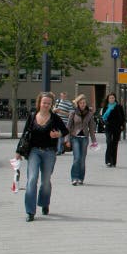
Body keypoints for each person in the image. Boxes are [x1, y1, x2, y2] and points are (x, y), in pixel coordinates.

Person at [16, 91, 69, 222]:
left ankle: (44, 203)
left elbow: (65, 130)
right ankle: (30, 211)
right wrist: (18, 151)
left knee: (45, 181)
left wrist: (58, 135)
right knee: (32, 179)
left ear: (51, 105)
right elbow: (25, 134)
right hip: (34, 151)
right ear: (39, 102)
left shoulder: (55, 118)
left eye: (48, 103)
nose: (46, 105)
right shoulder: (33, 116)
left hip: (49, 152)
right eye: (44, 102)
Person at [65, 94, 98, 186]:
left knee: (82, 159)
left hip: (84, 139)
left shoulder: (89, 114)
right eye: (81, 103)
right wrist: (67, 140)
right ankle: (74, 178)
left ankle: (80, 178)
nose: (83, 104)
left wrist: (94, 141)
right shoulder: (73, 113)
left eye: (84, 103)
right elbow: (68, 127)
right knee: (77, 158)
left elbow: (91, 128)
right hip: (75, 138)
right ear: (78, 104)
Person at [101, 92, 125, 167]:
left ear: (115, 99)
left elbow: (122, 117)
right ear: (108, 99)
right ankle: (108, 160)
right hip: (108, 127)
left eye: (113, 98)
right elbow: (102, 117)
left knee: (114, 144)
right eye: (110, 98)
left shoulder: (118, 106)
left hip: (117, 127)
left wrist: (122, 125)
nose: (111, 99)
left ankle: (113, 161)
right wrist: (104, 124)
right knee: (109, 142)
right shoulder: (105, 107)